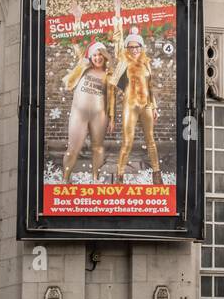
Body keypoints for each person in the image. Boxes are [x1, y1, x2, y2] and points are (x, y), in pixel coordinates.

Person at [60, 41, 114, 182]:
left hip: (99, 115)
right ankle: (65, 180)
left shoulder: (108, 75)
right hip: (79, 114)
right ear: (91, 56)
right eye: (95, 55)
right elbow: (76, 44)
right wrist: (78, 21)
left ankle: (95, 179)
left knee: (98, 148)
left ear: (105, 57)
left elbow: (112, 98)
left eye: (100, 55)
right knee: (72, 150)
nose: (98, 58)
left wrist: (112, 118)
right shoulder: (83, 67)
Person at [113, 28, 162, 184]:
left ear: (141, 47)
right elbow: (114, 82)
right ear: (127, 48)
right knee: (127, 142)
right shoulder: (124, 62)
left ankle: (157, 175)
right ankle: (120, 176)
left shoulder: (146, 63)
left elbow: (150, 87)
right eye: (131, 47)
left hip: (146, 105)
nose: (134, 50)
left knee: (151, 141)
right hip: (130, 105)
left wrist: (154, 108)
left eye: (137, 46)